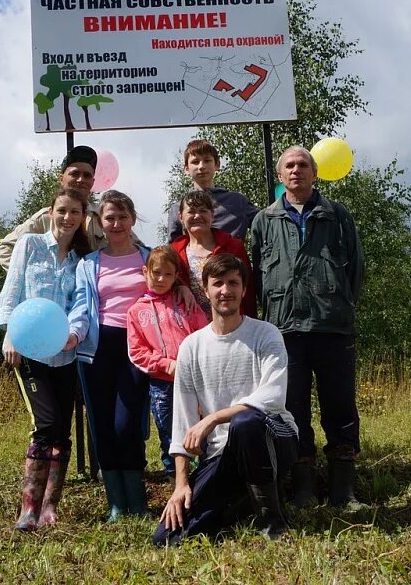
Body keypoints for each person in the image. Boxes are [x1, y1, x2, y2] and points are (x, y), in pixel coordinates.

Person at [153, 253, 298, 546]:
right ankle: (241, 503)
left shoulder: (265, 334)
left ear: (244, 290)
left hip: (274, 438)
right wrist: (181, 484)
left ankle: (273, 522)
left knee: (245, 422)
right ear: (205, 290)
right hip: (223, 453)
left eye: (233, 283)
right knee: (168, 537)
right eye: (217, 283)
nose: (225, 290)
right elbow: (182, 421)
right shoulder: (191, 347)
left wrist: (213, 418)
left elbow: (272, 396)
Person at [250, 145, 366, 509]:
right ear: (280, 176)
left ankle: (343, 491)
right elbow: (256, 276)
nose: (296, 170)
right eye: (289, 165)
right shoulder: (263, 221)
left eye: (303, 164)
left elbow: (355, 269)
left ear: (315, 173)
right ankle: (303, 489)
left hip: (333, 327)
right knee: (292, 409)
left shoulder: (337, 215)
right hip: (284, 331)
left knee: (340, 407)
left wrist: (336, 303)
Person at [0, 187, 91, 530]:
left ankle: (50, 508)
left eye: (75, 212)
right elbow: (13, 288)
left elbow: (81, 304)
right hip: (30, 350)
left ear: (83, 218)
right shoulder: (30, 245)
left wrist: (74, 335)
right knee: (46, 425)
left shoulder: (82, 260)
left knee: (62, 430)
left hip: (65, 354)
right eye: (62, 210)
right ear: (51, 212)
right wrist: (10, 334)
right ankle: (28, 508)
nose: (68, 217)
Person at [69, 190, 153, 521]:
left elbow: (164, 294)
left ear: (132, 219)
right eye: (110, 218)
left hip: (137, 347)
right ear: (100, 223)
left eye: (122, 217)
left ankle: (138, 500)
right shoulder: (88, 264)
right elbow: (81, 307)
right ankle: (116, 503)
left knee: (127, 424)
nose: (116, 224)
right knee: (102, 425)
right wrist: (73, 334)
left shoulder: (149, 258)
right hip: (97, 348)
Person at [127, 246, 209, 478]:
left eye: (168, 274)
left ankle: (205, 479)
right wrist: (166, 364)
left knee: (201, 430)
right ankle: (176, 482)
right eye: (156, 273)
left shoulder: (186, 303)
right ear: (145, 271)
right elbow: (137, 352)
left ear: (176, 276)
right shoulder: (136, 311)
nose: (161, 279)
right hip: (162, 384)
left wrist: (194, 364)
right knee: (169, 434)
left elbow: (205, 335)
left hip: (194, 380)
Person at [0, 145, 105, 269]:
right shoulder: (45, 217)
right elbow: (5, 248)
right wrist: (32, 274)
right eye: (75, 174)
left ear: (93, 182)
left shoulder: (104, 217)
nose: (81, 180)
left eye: (87, 175)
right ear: (61, 179)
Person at [170, 190, 257, 319]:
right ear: (180, 217)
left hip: (230, 324)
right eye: (191, 211)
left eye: (203, 211)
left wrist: (250, 323)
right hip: (190, 326)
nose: (197, 216)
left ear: (212, 215)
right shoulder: (174, 253)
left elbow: (247, 290)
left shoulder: (232, 247)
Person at [166, 139, 259, 242]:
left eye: (207, 161)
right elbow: (174, 247)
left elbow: (265, 224)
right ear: (186, 169)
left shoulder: (237, 202)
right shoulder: (178, 208)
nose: (201, 166)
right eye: (195, 162)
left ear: (217, 165)